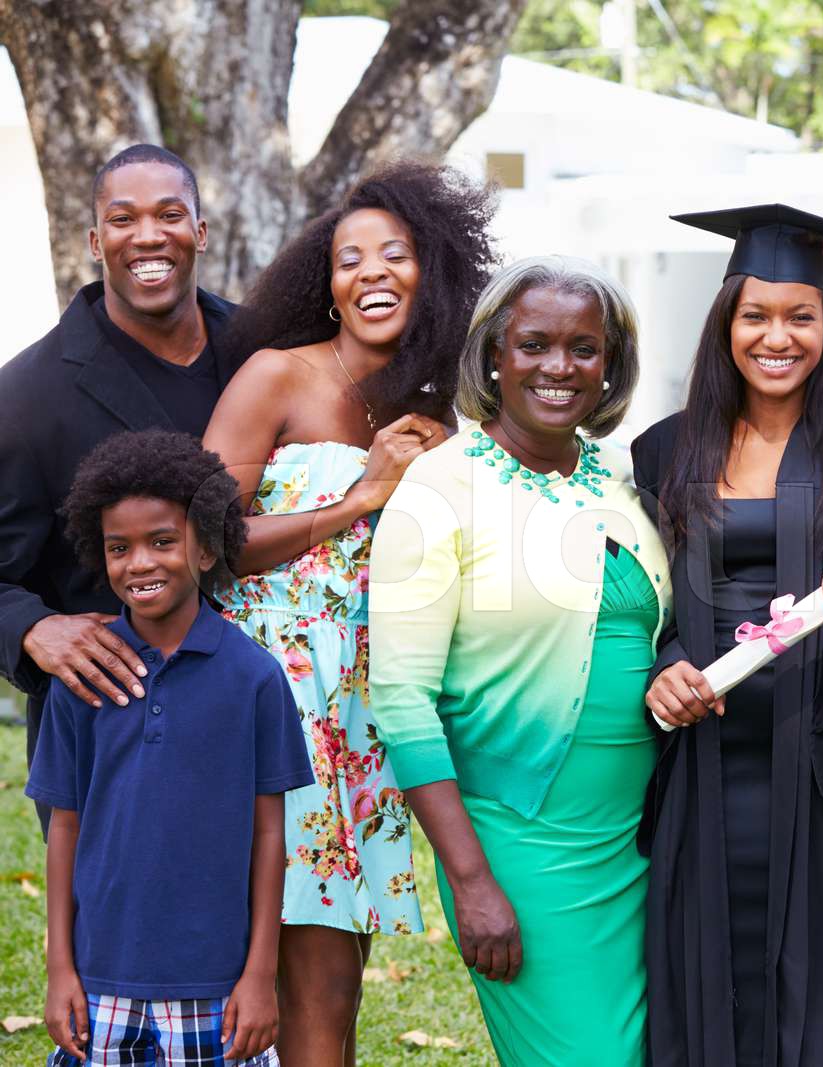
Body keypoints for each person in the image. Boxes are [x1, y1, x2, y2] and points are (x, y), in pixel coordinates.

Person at [203, 161, 497, 1065]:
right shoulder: (276, 378)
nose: (369, 272)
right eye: (348, 259)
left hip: (363, 719)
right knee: (268, 985)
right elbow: (204, 539)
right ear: (325, 285)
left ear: (433, 273)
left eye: (394, 255)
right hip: (268, 704)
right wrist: (361, 496)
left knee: (331, 992)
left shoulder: (440, 412)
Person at [632, 204, 823, 1067]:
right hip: (705, 770)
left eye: (801, 316)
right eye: (755, 314)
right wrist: (663, 668)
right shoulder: (662, 452)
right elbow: (634, 603)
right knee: (703, 977)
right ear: (725, 321)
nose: (777, 336)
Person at [368, 256, 667, 1066]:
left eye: (583, 348)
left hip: (638, 845)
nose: (558, 367)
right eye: (534, 344)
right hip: (521, 846)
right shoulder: (439, 487)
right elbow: (399, 697)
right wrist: (470, 880)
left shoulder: (620, 486)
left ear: (611, 366)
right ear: (494, 354)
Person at [28, 430, 313, 1066]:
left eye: (163, 541)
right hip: (100, 986)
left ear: (208, 547)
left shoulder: (255, 677)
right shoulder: (82, 680)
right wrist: (59, 970)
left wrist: (260, 974)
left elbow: (271, 836)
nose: (140, 564)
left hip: (217, 989)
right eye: (118, 548)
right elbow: (64, 828)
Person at [0, 145, 233, 834]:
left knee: (285, 938)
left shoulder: (263, 351)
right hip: (113, 741)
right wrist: (33, 627)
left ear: (200, 229)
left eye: (170, 214)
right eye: (123, 219)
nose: (148, 235)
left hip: (267, 718)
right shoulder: (27, 395)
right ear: (97, 240)